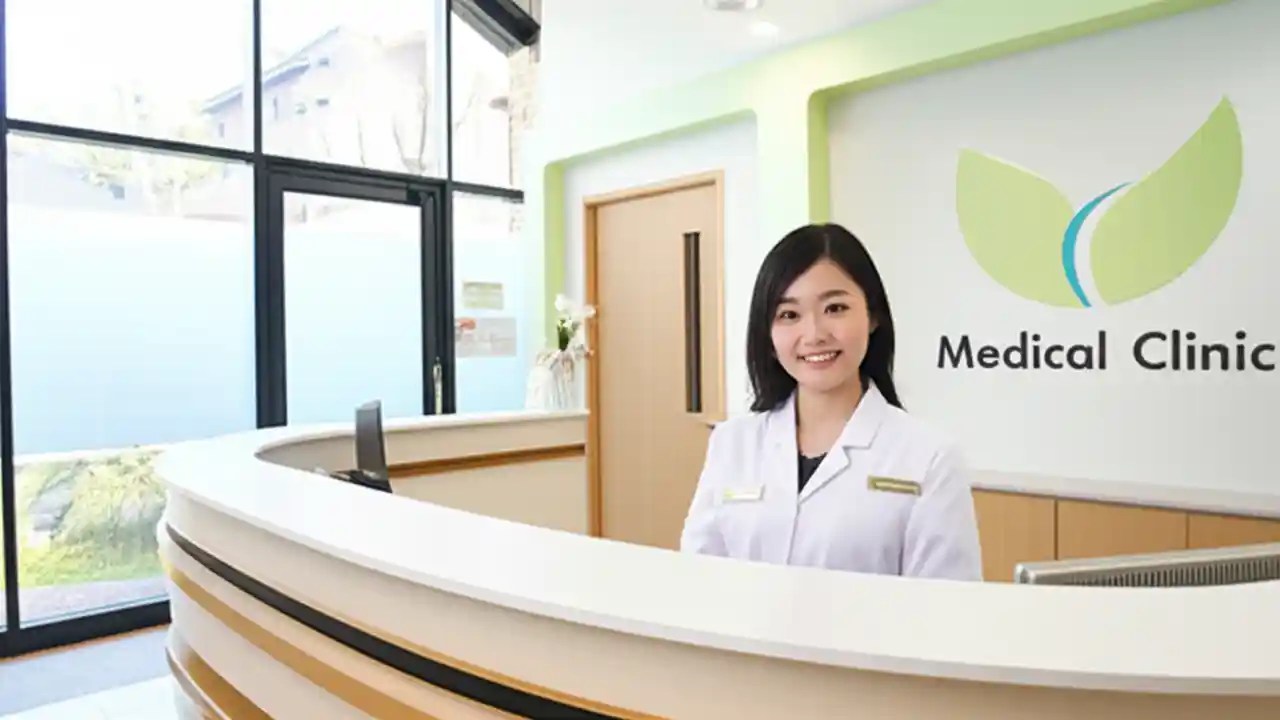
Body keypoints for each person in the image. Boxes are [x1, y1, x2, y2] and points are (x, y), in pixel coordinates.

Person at [679, 223, 983, 580]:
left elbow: (947, 608)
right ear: (768, 334)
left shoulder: (929, 458)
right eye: (789, 315)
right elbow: (698, 580)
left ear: (873, 316)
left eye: (835, 308)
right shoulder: (732, 444)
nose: (815, 335)